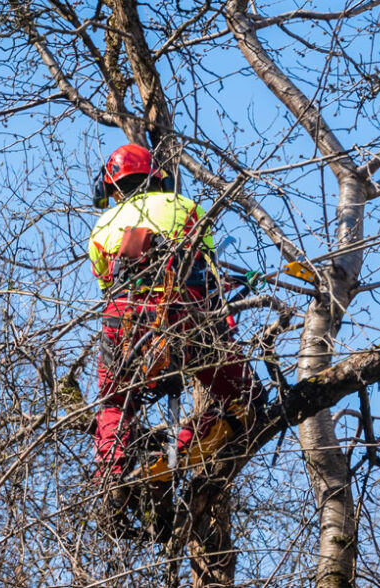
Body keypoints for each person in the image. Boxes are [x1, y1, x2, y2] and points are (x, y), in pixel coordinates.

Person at [88, 143, 265, 539]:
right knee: (249, 400)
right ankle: (172, 455)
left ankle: (113, 480)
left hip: (125, 320)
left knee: (115, 401)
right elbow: (207, 273)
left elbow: (106, 286)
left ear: (113, 187)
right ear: (157, 178)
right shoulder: (186, 207)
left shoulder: (102, 227)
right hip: (186, 314)